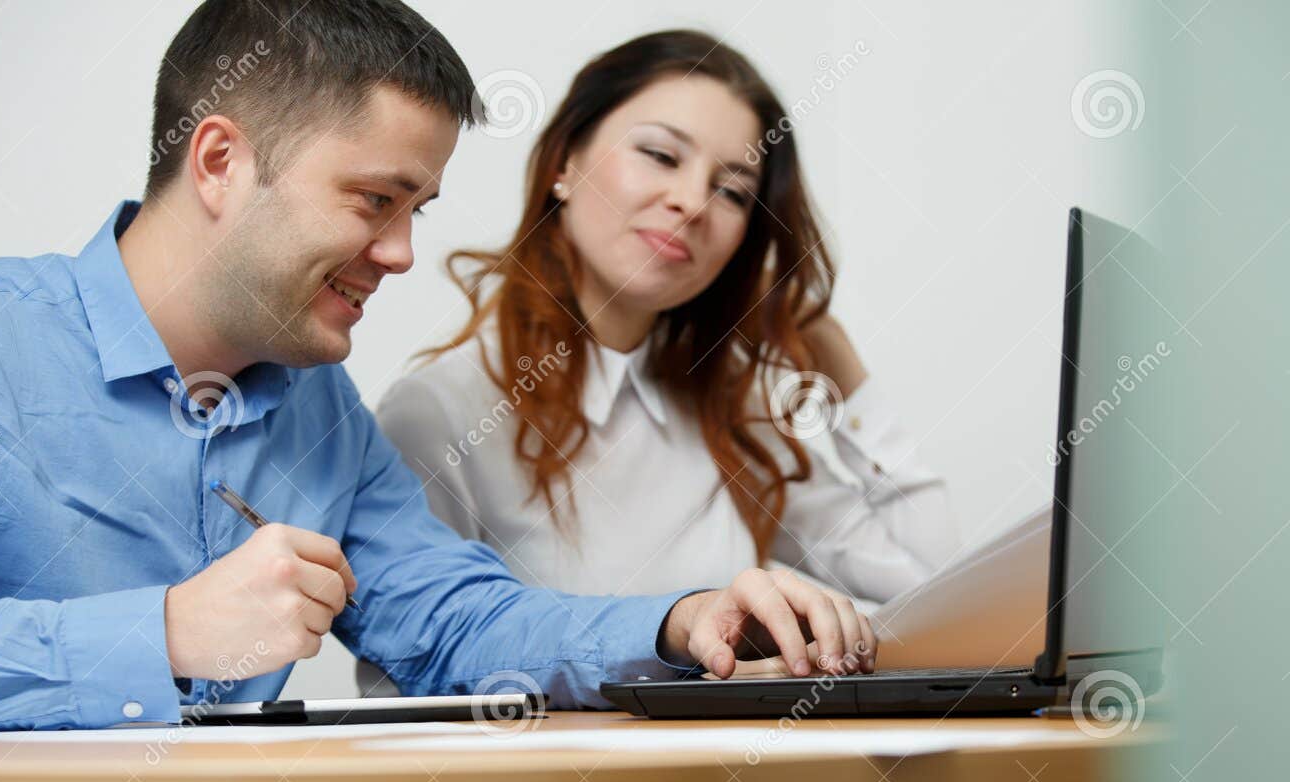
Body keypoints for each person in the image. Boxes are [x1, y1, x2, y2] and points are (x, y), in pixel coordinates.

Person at [0, 0, 874, 782]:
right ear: (219, 161)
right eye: (373, 200)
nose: (398, 253)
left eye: (416, 209)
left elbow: (454, 617)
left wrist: (681, 619)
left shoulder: (313, 405)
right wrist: (160, 635)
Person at [367, 30, 958, 637]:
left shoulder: (735, 418)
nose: (692, 202)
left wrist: (839, 365)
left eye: (731, 191)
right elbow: (415, 664)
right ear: (565, 163)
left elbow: (932, 579)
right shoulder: (441, 413)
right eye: (661, 155)